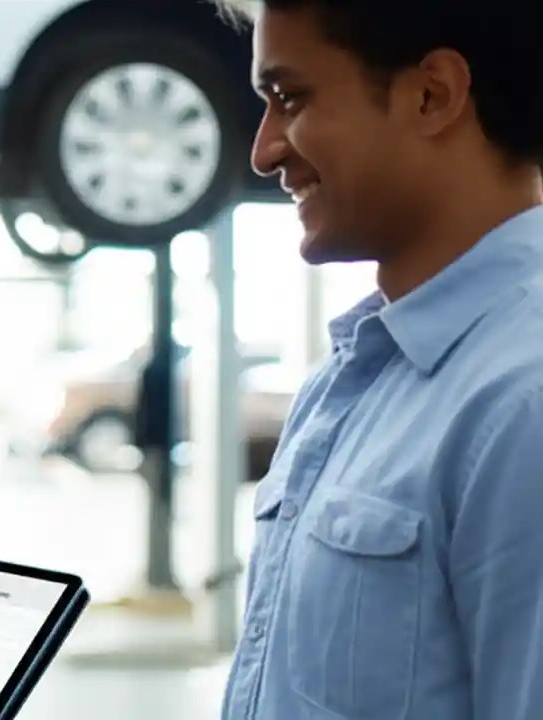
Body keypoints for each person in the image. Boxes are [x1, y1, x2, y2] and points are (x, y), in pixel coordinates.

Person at [207, 2, 543, 719]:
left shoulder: (525, 400)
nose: (264, 151)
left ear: (433, 95)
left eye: (289, 98)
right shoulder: (350, 379)